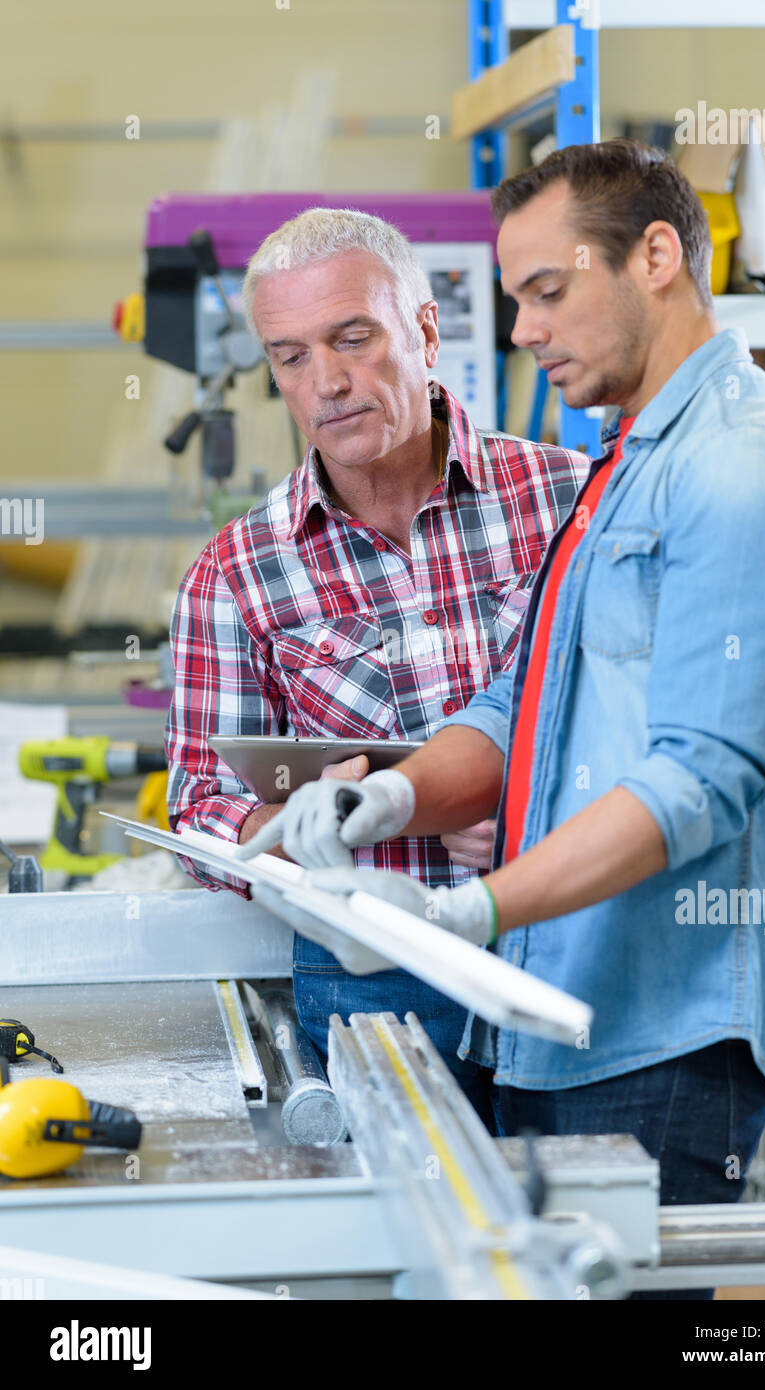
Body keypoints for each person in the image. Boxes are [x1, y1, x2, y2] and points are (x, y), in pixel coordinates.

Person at [254, 141, 765, 1299]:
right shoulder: (624, 465)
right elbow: (514, 703)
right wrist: (393, 794)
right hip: (553, 1013)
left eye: (547, 290)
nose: (522, 330)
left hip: (661, 1028)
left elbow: (700, 780)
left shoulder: (743, 466)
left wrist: (460, 909)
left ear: (658, 258)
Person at [165, 207, 587, 1105]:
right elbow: (200, 804)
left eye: (352, 338)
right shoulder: (237, 572)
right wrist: (288, 838)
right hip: (374, 977)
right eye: (291, 357)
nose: (326, 382)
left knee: (591, 1209)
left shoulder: (566, 500)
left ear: (425, 331)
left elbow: (645, 720)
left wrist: (533, 805)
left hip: (574, 941)